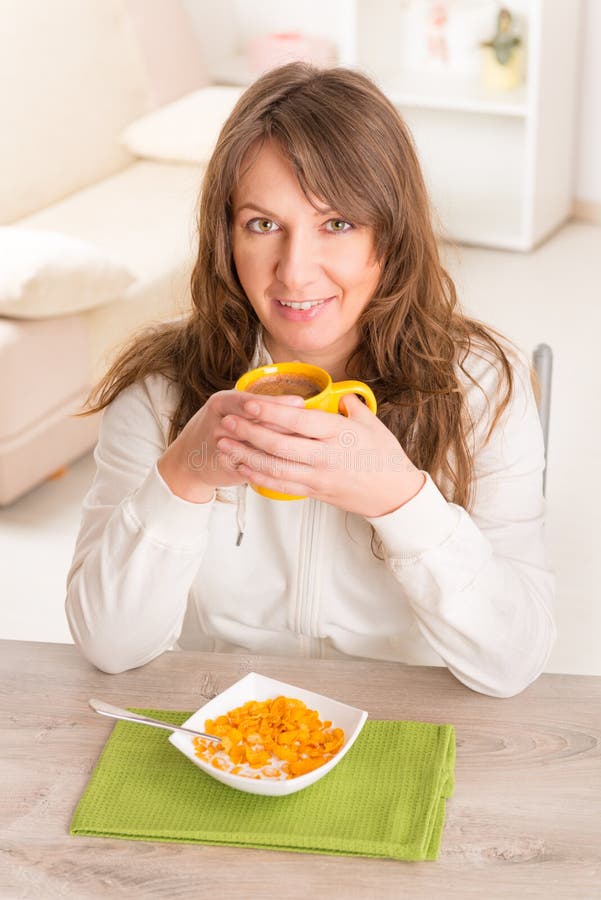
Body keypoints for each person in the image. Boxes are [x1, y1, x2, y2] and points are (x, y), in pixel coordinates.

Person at [66, 62, 555, 697]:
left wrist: (399, 499)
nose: (295, 273)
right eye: (263, 225)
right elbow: (109, 646)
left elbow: (513, 663)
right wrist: (186, 471)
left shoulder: (483, 385)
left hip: (403, 731)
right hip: (226, 735)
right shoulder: (161, 388)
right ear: (226, 236)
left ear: (393, 234)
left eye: (338, 224)